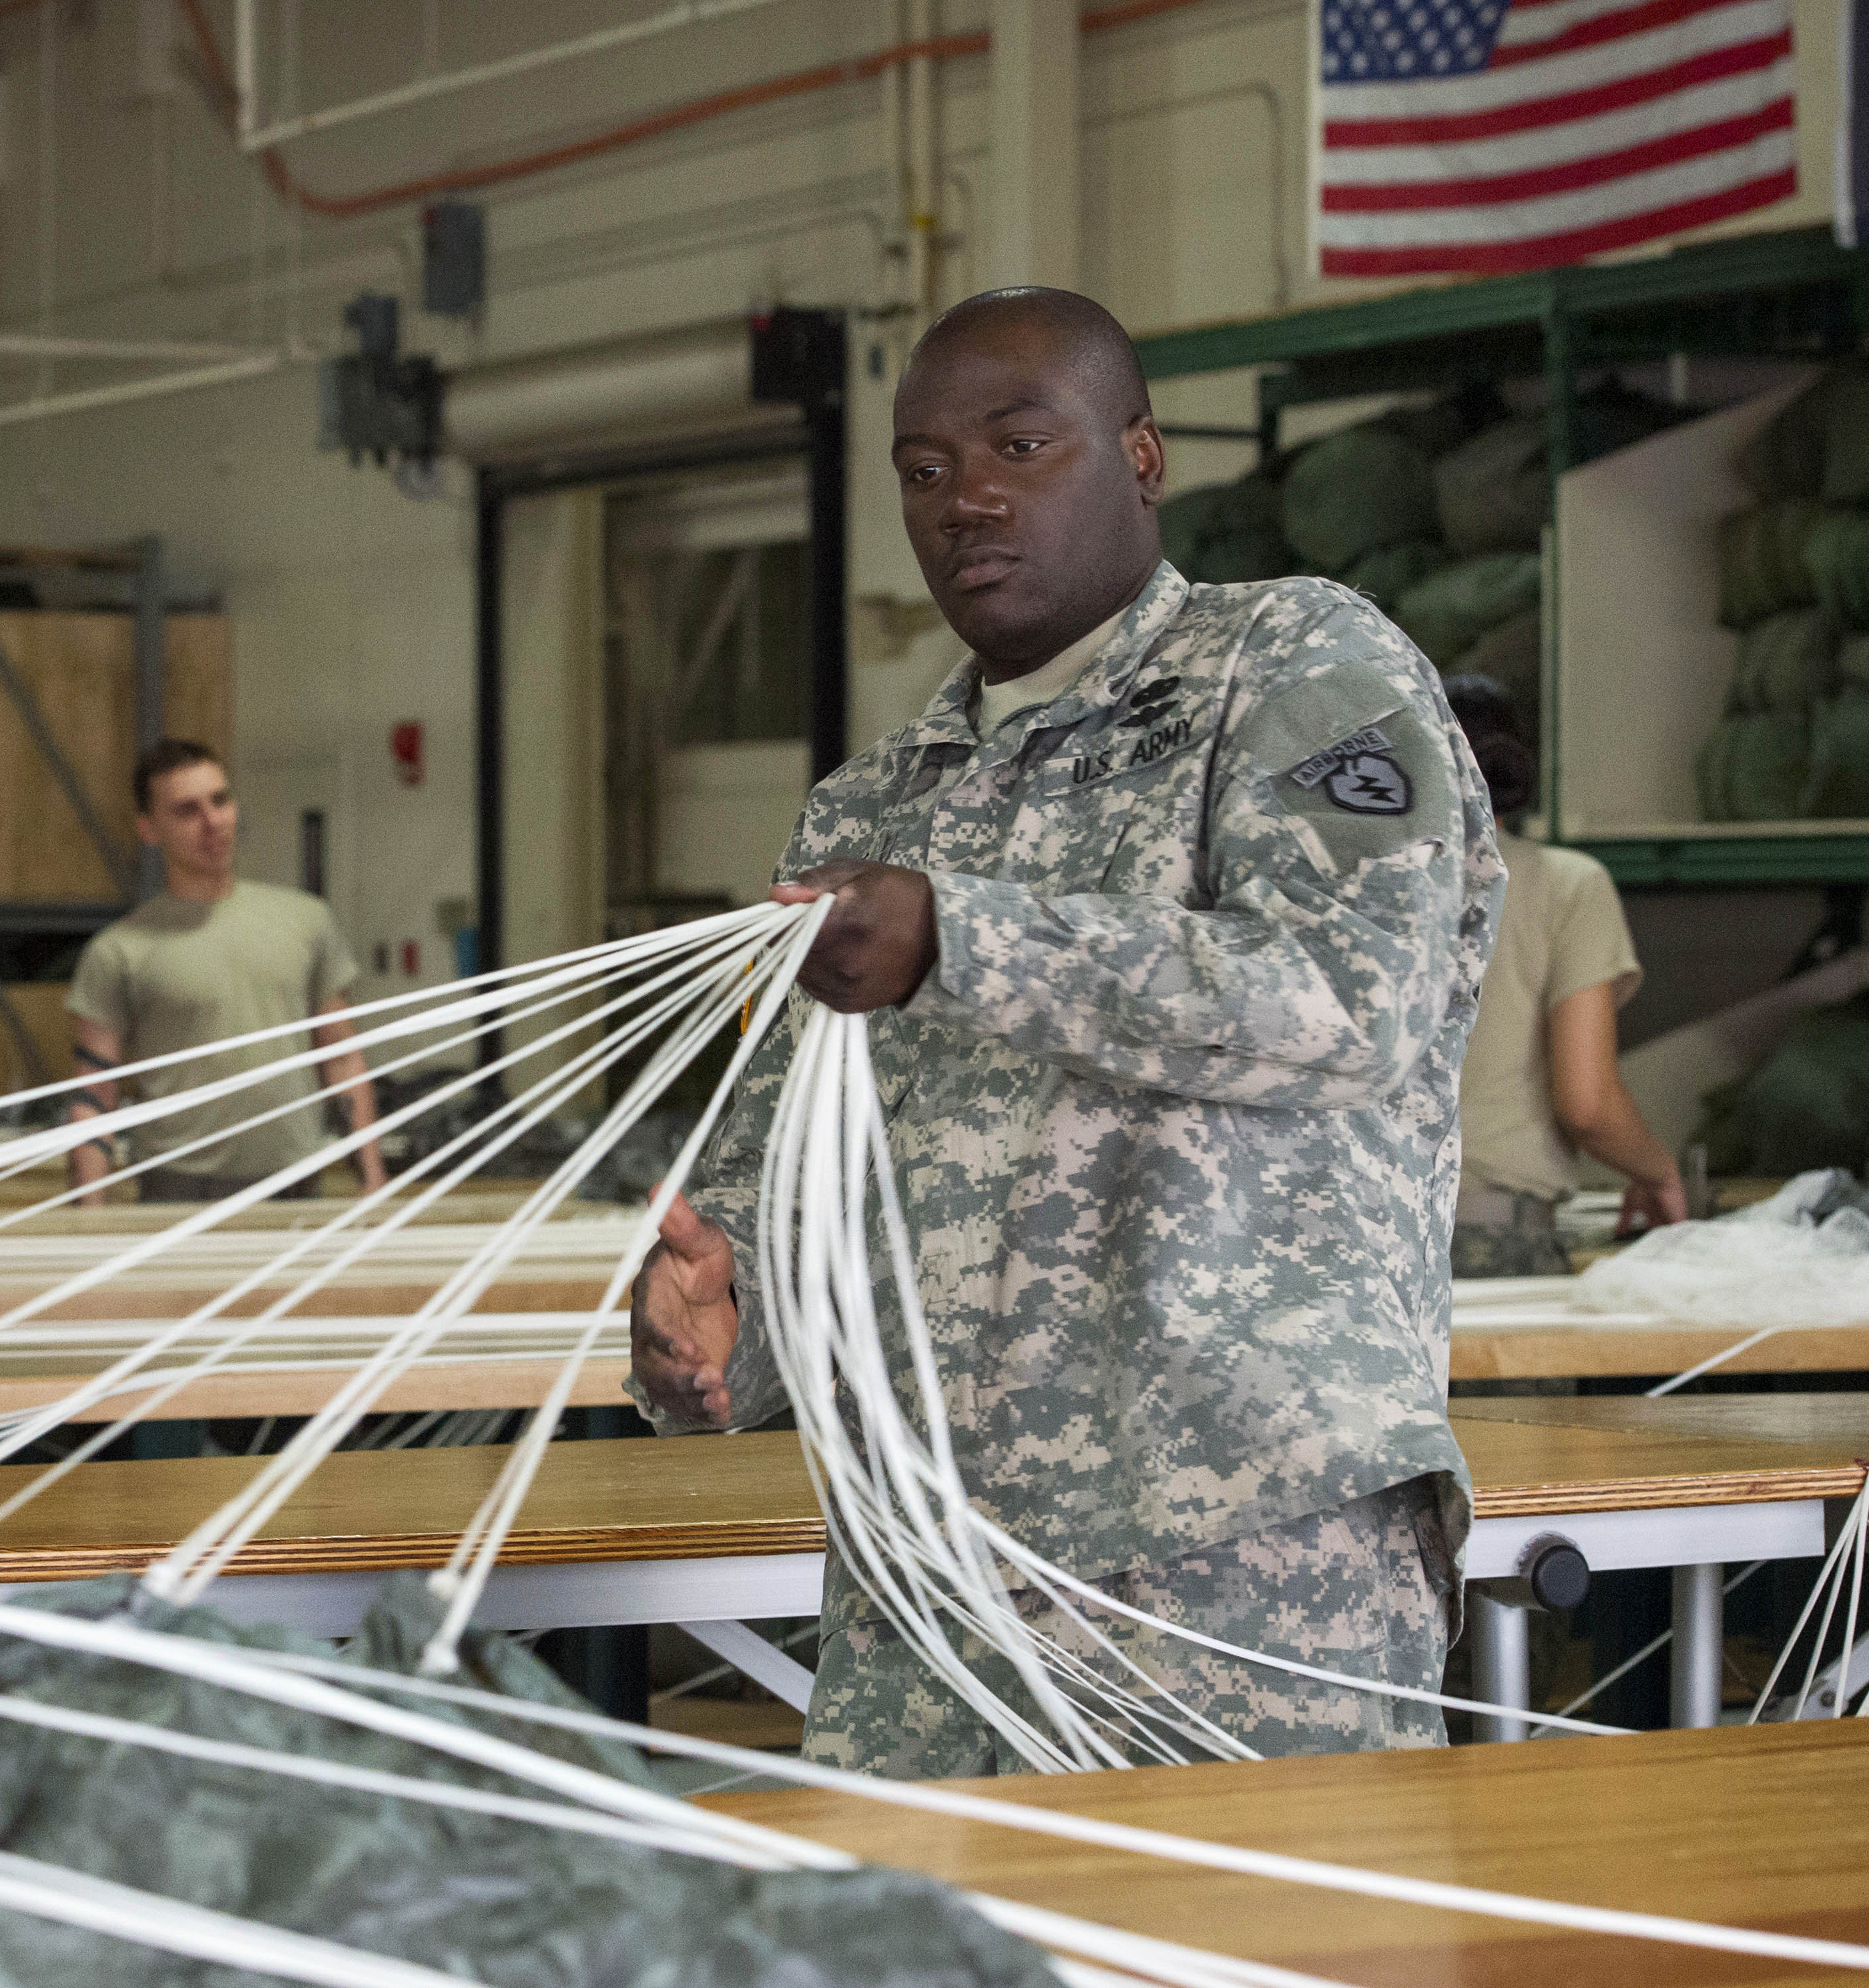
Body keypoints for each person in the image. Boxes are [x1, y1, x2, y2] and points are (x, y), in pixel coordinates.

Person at [629, 287, 1499, 1778]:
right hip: (925, 1581)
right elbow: (792, 1180)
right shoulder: (870, 806)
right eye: (921, 468)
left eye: (1018, 444)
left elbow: (1354, 997)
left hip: (1235, 1569)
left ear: (1141, 456)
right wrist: (720, 1326)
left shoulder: (1286, 666)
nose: (964, 496)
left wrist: (955, 937)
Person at [65, 740, 386, 1205]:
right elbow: (95, 1092)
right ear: (148, 829)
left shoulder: (305, 921)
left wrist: (373, 1180)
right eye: (186, 810)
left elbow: (341, 1058)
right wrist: (88, 1210)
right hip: (177, 1188)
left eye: (220, 801)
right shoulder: (120, 951)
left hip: (294, 1181)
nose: (212, 821)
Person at [1441, 676, 1685, 1274]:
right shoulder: (1564, 885)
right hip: (1488, 1242)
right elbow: (1587, 1105)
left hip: (1352, 1238)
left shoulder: (1351, 886)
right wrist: (1657, 1171)